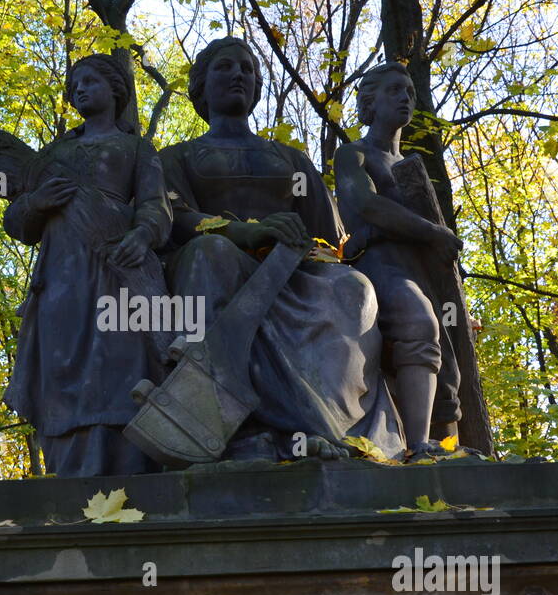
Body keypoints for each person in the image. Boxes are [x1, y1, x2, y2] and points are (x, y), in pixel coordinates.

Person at [157, 37, 404, 461]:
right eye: (224, 67)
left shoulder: (290, 160)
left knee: (353, 287)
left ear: (256, 88)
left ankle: (330, 428)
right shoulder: (177, 157)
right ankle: (228, 424)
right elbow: (174, 218)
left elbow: (331, 239)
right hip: (215, 266)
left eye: (248, 69)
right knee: (210, 253)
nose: (238, 74)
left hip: (292, 272)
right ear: (200, 87)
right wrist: (243, 233)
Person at [1, 54, 172, 476]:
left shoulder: (136, 148)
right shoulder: (54, 153)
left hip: (117, 270)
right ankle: (68, 470)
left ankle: (127, 465)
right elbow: (18, 222)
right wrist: (36, 203)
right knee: (61, 365)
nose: (79, 89)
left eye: (91, 81)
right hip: (61, 274)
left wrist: (142, 235)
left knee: (118, 362)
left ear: (115, 90)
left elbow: (157, 208)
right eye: (75, 83)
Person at [333, 62, 462, 454]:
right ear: (371, 101)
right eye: (394, 90)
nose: (405, 97)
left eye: (409, 90)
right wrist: (432, 232)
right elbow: (366, 204)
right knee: (418, 321)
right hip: (380, 265)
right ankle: (417, 447)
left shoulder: (412, 169)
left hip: (423, 271)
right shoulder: (353, 155)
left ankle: (448, 446)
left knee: (452, 372)